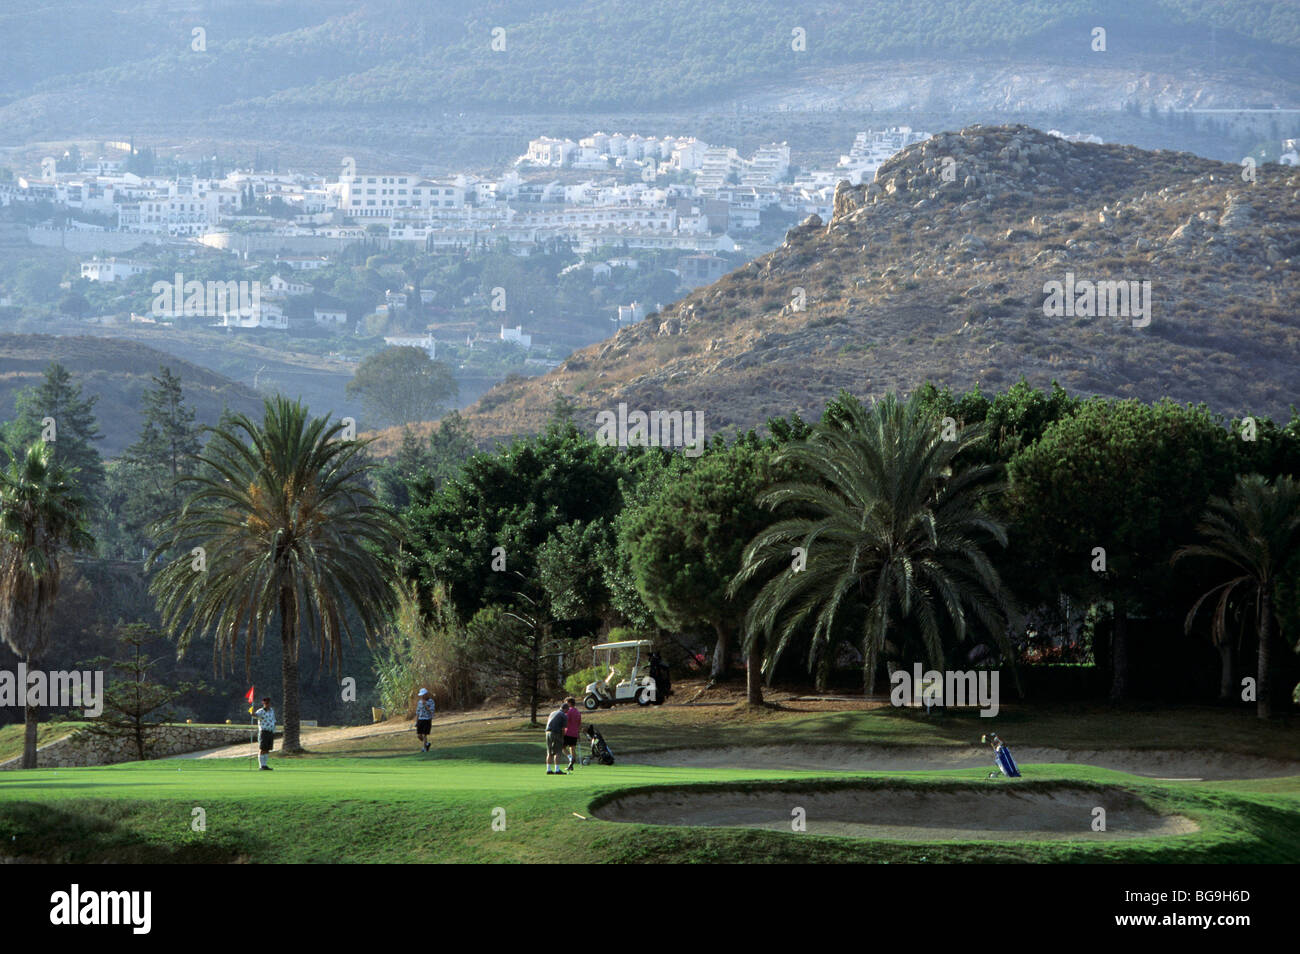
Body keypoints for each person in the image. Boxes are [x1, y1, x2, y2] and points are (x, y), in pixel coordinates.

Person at [545, 701, 570, 775]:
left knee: (549, 752)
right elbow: (563, 728)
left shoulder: (552, 713)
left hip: (547, 733)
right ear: (565, 709)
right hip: (556, 733)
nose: (567, 711)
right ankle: (557, 770)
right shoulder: (563, 716)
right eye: (567, 710)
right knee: (558, 752)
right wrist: (563, 737)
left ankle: (548, 769)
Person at [254, 696, 275, 770]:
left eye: (268, 702)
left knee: (267, 749)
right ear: (263, 703)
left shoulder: (272, 710)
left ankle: (265, 765)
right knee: (262, 748)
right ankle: (261, 766)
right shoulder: (260, 711)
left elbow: (273, 719)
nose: (267, 704)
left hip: (270, 731)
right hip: (264, 731)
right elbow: (255, 716)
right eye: (266, 702)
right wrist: (252, 712)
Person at [562, 696, 582, 772]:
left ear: (569, 703)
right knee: (572, 749)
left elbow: (565, 721)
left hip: (568, 732)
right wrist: (578, 732)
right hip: (575, 733)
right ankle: (571, 765)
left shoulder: (569, 711)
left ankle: (570, 759)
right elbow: (579, 723)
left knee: (562, 747)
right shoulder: (577, 712)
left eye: (566, 703)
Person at [415, 688, 435, 752]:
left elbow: (431, 711)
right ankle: (426, 744)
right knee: (419, 735)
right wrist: (416, 721)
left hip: (427, 719)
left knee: (424, 734)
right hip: (420, 719)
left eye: (423, 695)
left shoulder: (431, 701)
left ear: (426, 694)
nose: (422, 696)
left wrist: (425, 705)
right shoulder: (420, 702)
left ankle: (425, 749)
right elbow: (418, 712)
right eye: (421, 695)